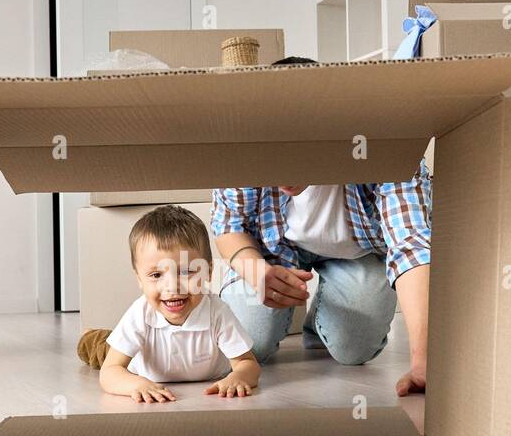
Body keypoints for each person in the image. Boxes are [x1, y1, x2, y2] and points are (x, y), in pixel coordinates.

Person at [210, 60, 431, 397]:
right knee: (249, 344)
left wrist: (424, 361)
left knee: (353, 347)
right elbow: (228, 227)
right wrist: (255, 271)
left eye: (296, 158)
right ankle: (284, 309)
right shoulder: (241, 145)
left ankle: (319, 324)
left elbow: (412, 244)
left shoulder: (383, 147)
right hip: (271, 253)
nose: (281, 179)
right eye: (271, 159)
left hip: (358, 253)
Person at [77, 205, 261, 403]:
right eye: (156, 275)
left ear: (208, 271)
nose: (172, 286)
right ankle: (92, 335)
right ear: (139, 279)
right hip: (139, 363)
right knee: (104, 349)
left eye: (186, 272)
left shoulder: (216, 311)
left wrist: (237, 377)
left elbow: (247, 363)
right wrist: (136, 384)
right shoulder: (140, 314)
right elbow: (110, 373)